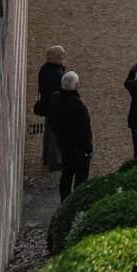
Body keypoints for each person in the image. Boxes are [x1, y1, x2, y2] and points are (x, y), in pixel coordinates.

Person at [46, 72, 93, 201]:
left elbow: (51, 120)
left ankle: (64, 202)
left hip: (64, 145)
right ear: (76, 85)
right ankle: (76, 205)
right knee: (81, 179)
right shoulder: (78, 105)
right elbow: (85, 130)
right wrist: (89, 149)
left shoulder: (55, 98)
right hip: (79, 149)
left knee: (66, 175)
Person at [34, 45, 66, 170]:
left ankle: (47, 157)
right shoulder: (57, 74)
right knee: (55, 134)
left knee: (48, 132)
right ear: (56, 58)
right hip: (55, 108)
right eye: (62, 56)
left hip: (47, 105)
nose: (64, 58)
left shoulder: (44, 69)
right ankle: (55, 161)